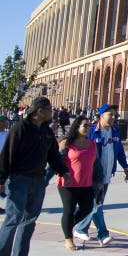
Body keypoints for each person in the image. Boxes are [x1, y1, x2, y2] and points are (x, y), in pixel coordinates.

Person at [0, 96, 70, 256]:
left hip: (38, 181)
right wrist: (1, 179)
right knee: (13, 218)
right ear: (40, 111)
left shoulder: (46, 131)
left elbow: (53, 155)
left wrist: (63, 171)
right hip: (19, 180)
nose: (51, 112)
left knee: (29, 221)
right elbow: (6, 155)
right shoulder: (20, 128)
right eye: (49, 109)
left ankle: (20, 253)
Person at [73, 104, 128, 247]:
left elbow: (119, 152)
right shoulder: (92, 131)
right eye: (109, 114)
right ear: (101, 116)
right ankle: (103, 234)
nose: (113, 117)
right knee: (96, 205)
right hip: (93, 175)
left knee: (94, 204)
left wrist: (126, 168)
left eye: (114, 115)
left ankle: (80, 227)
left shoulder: (115, 132)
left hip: (107, 174)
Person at [57, 116, 99, 251]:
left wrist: (99, 180)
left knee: (87, 208)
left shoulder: (92, 143)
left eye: (89, 126)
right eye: (85, 126)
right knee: (69, 210)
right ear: (76, 127)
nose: (88, 128)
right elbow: (57, 161)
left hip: (86, 183)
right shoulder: (66, 143)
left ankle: (67, 226)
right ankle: (68, 239)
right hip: (68, 184)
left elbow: (97, 164)